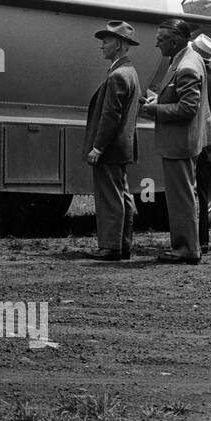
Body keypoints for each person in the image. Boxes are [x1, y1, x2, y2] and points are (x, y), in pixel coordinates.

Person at [140, 18, 211, 264]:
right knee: (183, 195)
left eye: (161, 40)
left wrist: (155, 110)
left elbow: (188, 109)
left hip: (179, 143)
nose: (156, 44)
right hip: (182, 142)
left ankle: (186, 249)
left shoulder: (187, 66)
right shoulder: (188, 60)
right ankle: (186, 246)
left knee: (180, 198)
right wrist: (158, 102)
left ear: (176, 40)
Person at [83, 21, 141, 260]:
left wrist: (98, 147)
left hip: (110, 148)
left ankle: (110, 246)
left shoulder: (118, 75)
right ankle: (122, 243)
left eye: (105, 42)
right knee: (122, 195)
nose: (102, 47)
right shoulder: (130, 72)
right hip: (122, 147)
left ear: (117, 45)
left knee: (110, 197)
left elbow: (110, 116)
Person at [191, 34, 211, 253]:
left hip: (194, 137)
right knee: (202, 192)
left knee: (190, 190)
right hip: (207, 139)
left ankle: (194, 239)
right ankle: (203, 238)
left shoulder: (196, 75)